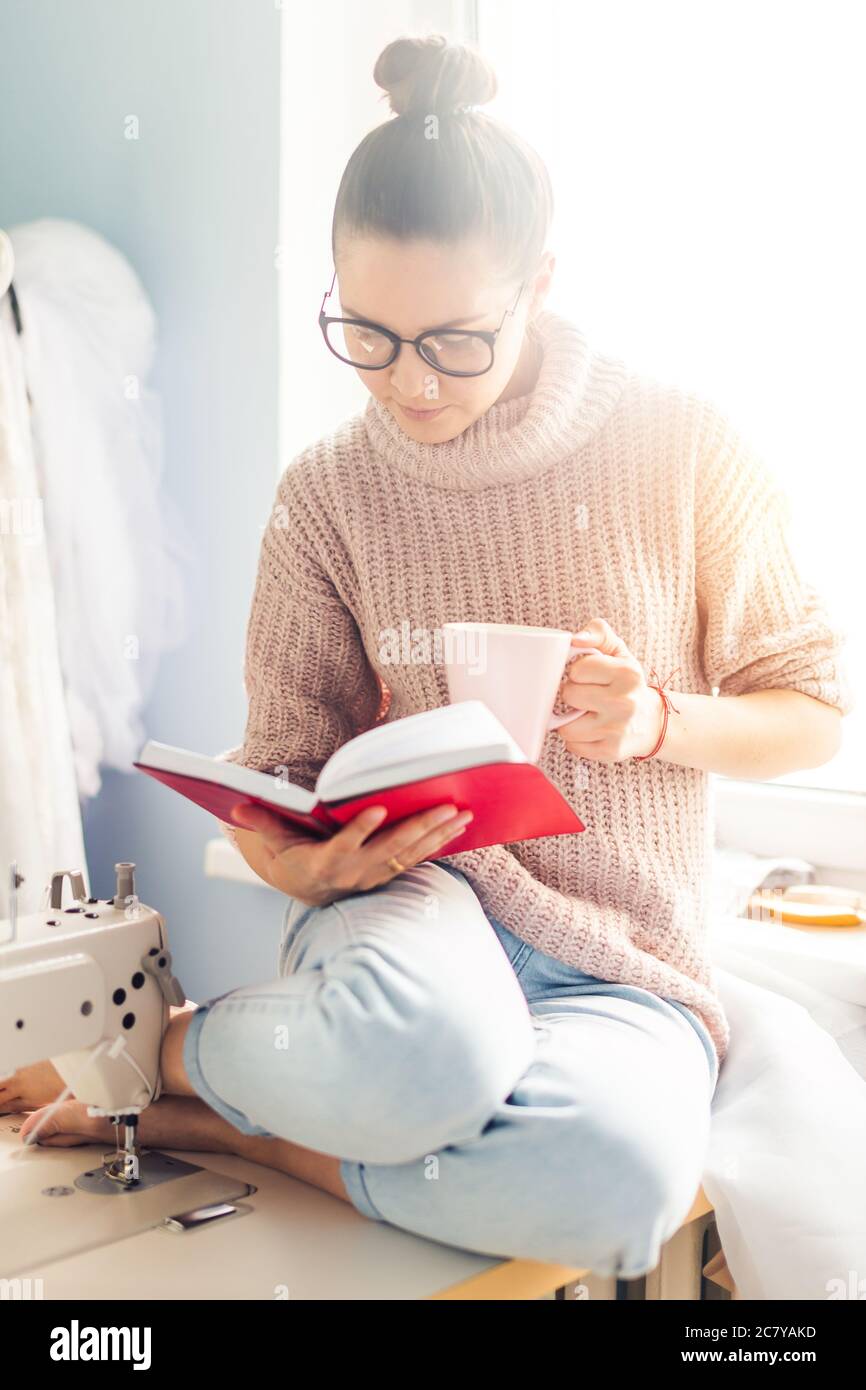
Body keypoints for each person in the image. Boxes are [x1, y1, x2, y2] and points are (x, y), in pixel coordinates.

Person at [15, 33, 853, 1279]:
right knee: (420, 1061)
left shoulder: (678, 446)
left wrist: (657, 724)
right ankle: (167, 1045)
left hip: (622, 965)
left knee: (613, 1190)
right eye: (367, 334)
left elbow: (813, 708)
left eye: (454, 339)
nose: (407, 384)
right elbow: (277, 768)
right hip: (416, 916)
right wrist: (298, 866)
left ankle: (206, 1102)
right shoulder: (327, 496)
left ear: (539, 284)